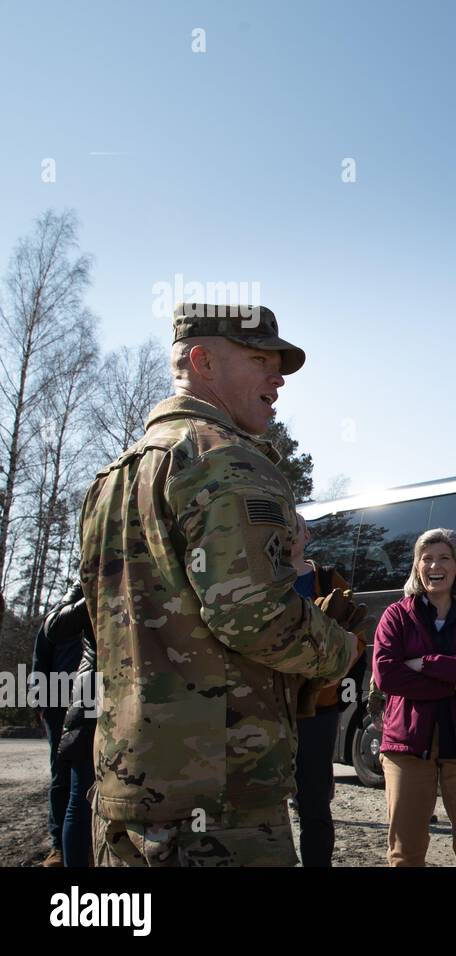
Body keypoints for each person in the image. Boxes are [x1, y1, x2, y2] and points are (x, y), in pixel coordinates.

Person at [78, 302, 363, 867]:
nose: (277, 378)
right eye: (260, 359)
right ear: (202, 361)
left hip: (126, 793)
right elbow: (255, 617)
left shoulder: (114, 478)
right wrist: (342, 650)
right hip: (218, 806)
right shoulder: (224, 459)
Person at [372, 528, 456, 866]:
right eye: (426, 559)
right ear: (416, 567)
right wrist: (453, 681)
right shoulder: (396, 615)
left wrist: (426, 663)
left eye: (444, 557)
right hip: (407, 747)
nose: (435, 565)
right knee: (405, 851)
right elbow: (386, 674)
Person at [288, 514, 367, 866]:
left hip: (318, 709)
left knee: (315, 802)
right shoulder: (257, 578)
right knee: (260, 803)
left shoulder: (327, 579)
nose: (289, 532)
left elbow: (357, 640)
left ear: (307, 535)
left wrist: (335, 672)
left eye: (296, 526)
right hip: (264, 708)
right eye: (280, 524)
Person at [29, 583, 89, 867]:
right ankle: (58, 847)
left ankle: (86, 843)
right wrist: (39, 703)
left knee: (85, 777)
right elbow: (40, 660)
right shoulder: (57, 617)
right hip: (57, 703)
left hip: (91, 699)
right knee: (61, 776)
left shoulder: (102, 608)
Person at [53, 585, 96, 868]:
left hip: (155, 696)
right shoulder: (92, 571)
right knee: (80, 800)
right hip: (94, 697)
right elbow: (54, 626)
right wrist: (94, 592)